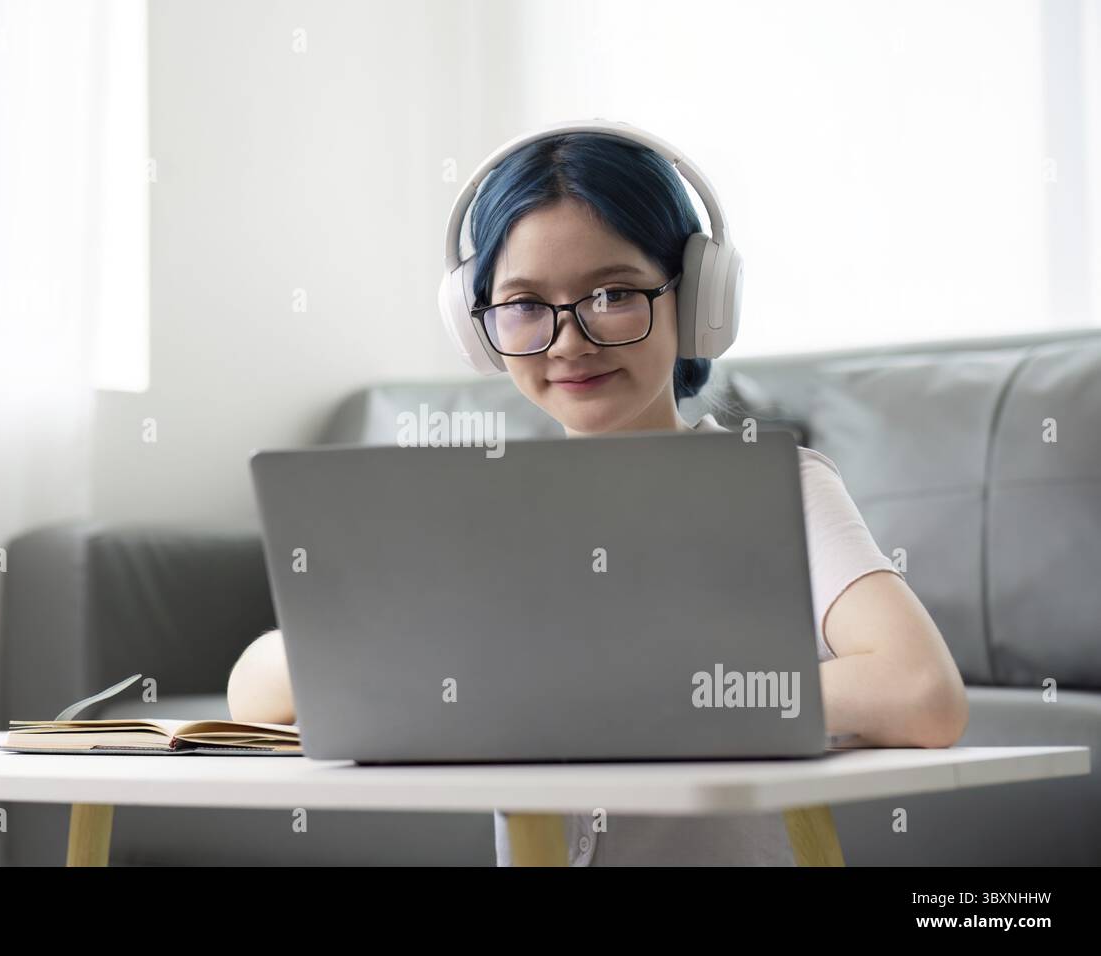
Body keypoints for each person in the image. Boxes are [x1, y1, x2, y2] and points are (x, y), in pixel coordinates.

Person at [227, 129, 968, 866]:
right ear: (480, 328)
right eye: (524, 304)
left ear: (698, 298)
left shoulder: (783, 489)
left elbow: (923, 692)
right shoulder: (479, 516)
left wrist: (653, 697)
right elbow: (255, 691)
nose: (567, 342)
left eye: (613, 294)